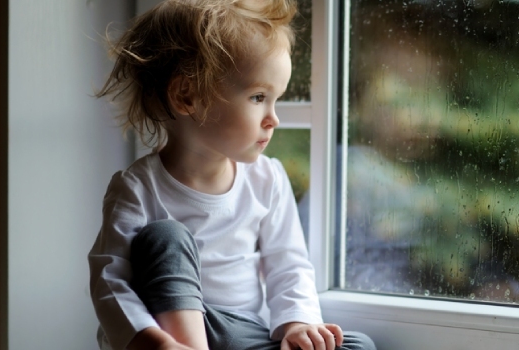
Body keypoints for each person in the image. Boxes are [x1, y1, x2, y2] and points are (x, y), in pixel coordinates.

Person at [88, 1, 376, 349]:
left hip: (242, 334)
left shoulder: (267, 178)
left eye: (276, 100)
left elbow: (289, 265)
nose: (274, 119)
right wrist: (152, 341)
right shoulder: (137, 187)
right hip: (171, 336)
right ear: (187, 96)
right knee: (165, 237)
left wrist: (299, 325)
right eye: (258, 97)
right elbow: (111, 280)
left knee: (356, 345)